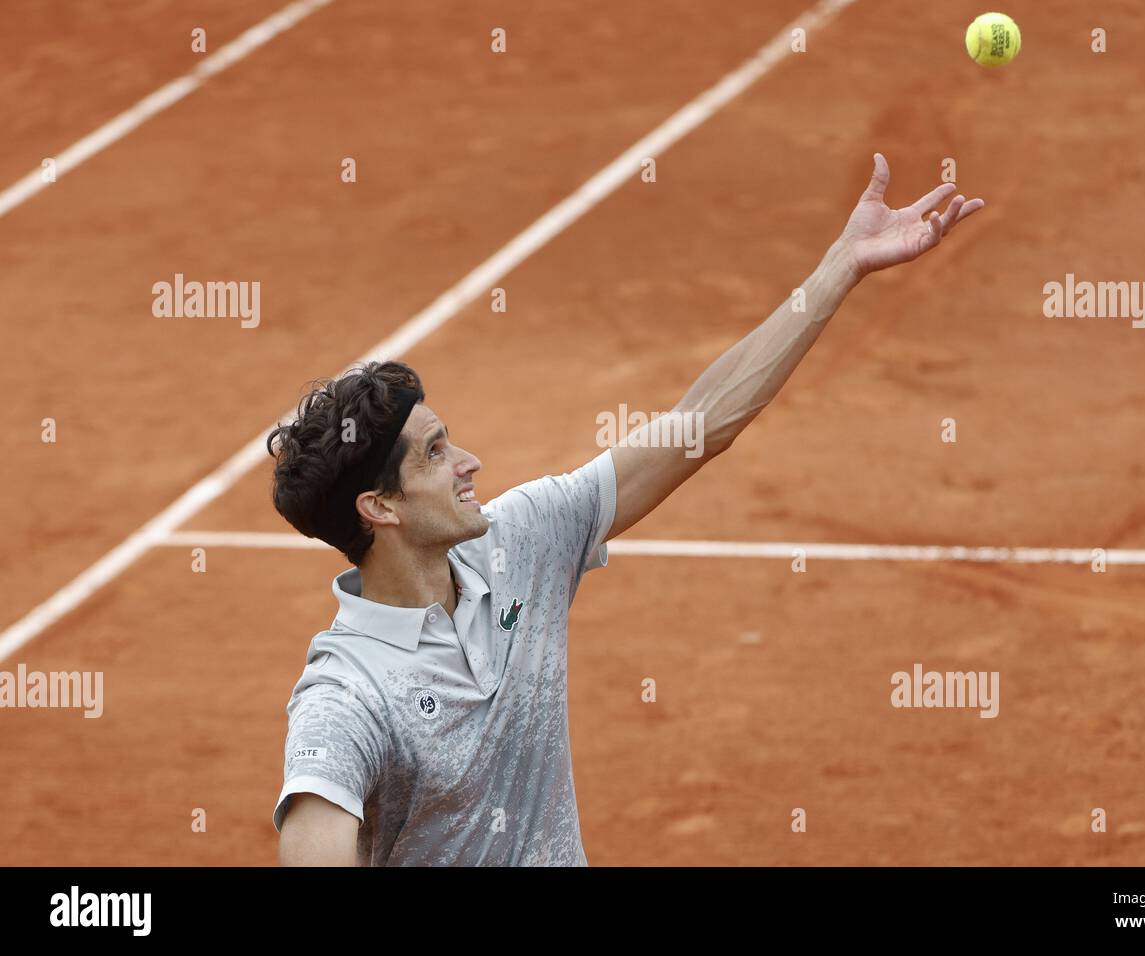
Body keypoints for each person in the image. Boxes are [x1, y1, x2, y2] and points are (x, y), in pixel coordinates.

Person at [268, 154, 983, 865]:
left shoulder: (520, 542)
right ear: (379, 508)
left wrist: (840, 268)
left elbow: (700, 427)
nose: (468, 464)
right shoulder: (346, 695)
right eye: (433, 456)